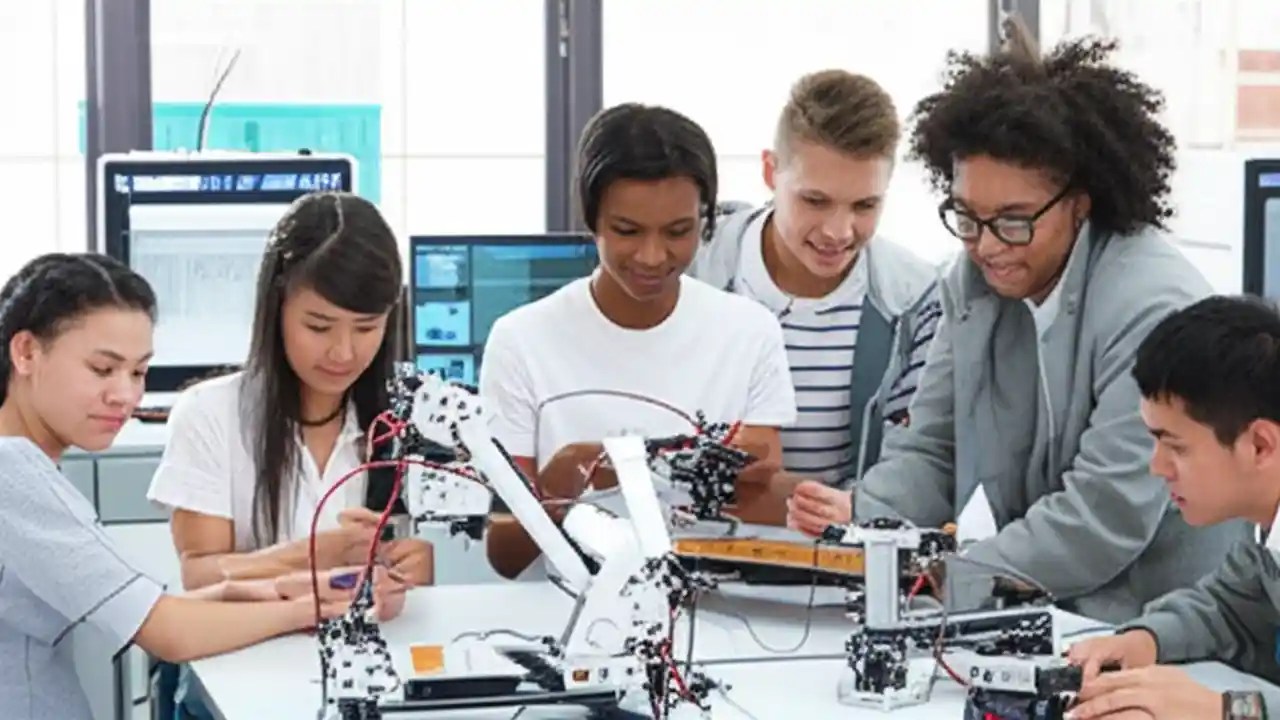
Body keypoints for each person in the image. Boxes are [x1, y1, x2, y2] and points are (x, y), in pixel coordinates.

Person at [784, 24, 1248, 622]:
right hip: (1027, 608)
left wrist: (949, 580)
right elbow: (934, 445)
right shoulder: (970, 283)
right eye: (968, 217)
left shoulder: (1152, 308)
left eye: (1014, 220)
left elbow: (1102, 515)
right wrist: (862, 512)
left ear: (1081, 203)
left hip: (1155, 628)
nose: (987, 245)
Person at [0, 253, 371, 720]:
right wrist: (313, 607)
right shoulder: (12, 469)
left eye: (138, 372)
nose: (127, 396)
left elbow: (146, 608)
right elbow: (167, 631)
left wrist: (276, 589)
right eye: (101, 369)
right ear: (27, 352)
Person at [482, 103, 798, 579]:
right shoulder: (521, 341)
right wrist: (568, 475)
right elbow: (504, 554)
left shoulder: (750, 333)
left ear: (706, 220)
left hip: (714, 614)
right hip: (571, 617)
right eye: (627, 231)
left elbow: (767, 511)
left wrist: (806, 499)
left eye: (678, 232)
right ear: (591, 220)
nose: (652, 256)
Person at [146, 192, 430, 717]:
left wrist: (410, 566)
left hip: (358, 674)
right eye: (319, 327)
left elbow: (398, 575)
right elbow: (201, 576)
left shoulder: (397, 423)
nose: (344, 352)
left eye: (367, 328)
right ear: (276, 308)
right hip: (238, 673)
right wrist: (311, 553)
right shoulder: (210, 415)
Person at [693, 69, 941, 487]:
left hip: (842, 539)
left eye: (864, 205)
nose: (838, 232)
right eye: (815, 201)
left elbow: (917, 462)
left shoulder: (917, 300)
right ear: (771, 172)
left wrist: (850, 510)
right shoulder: (696, 268)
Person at [1065, 296, 1280, 720]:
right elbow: (1227, 608)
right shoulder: (1266, 531)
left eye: (1175, 446)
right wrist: (1143, 640)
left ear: (1260, 445)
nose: (1157, 467)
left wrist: (1226, 710)